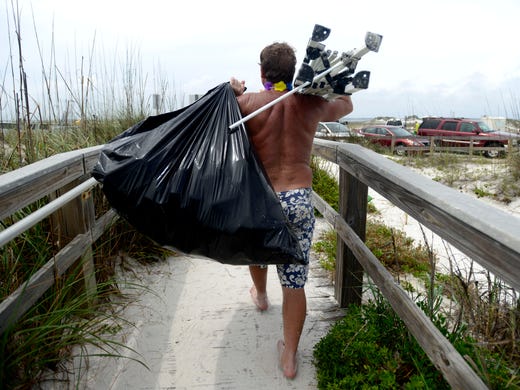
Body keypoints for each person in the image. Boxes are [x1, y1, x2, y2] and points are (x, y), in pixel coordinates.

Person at [230, 42, 353, 379]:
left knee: (258, 249)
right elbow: (346, 105)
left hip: (263, 198)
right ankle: (289, 358)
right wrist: (333, 80)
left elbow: (223, 115)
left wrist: (236, 91)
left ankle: (261, 296)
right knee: (295, 279)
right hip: (298, 196)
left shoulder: (246, 104)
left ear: (261, 71)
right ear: (296, 70)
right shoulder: (310, 104)